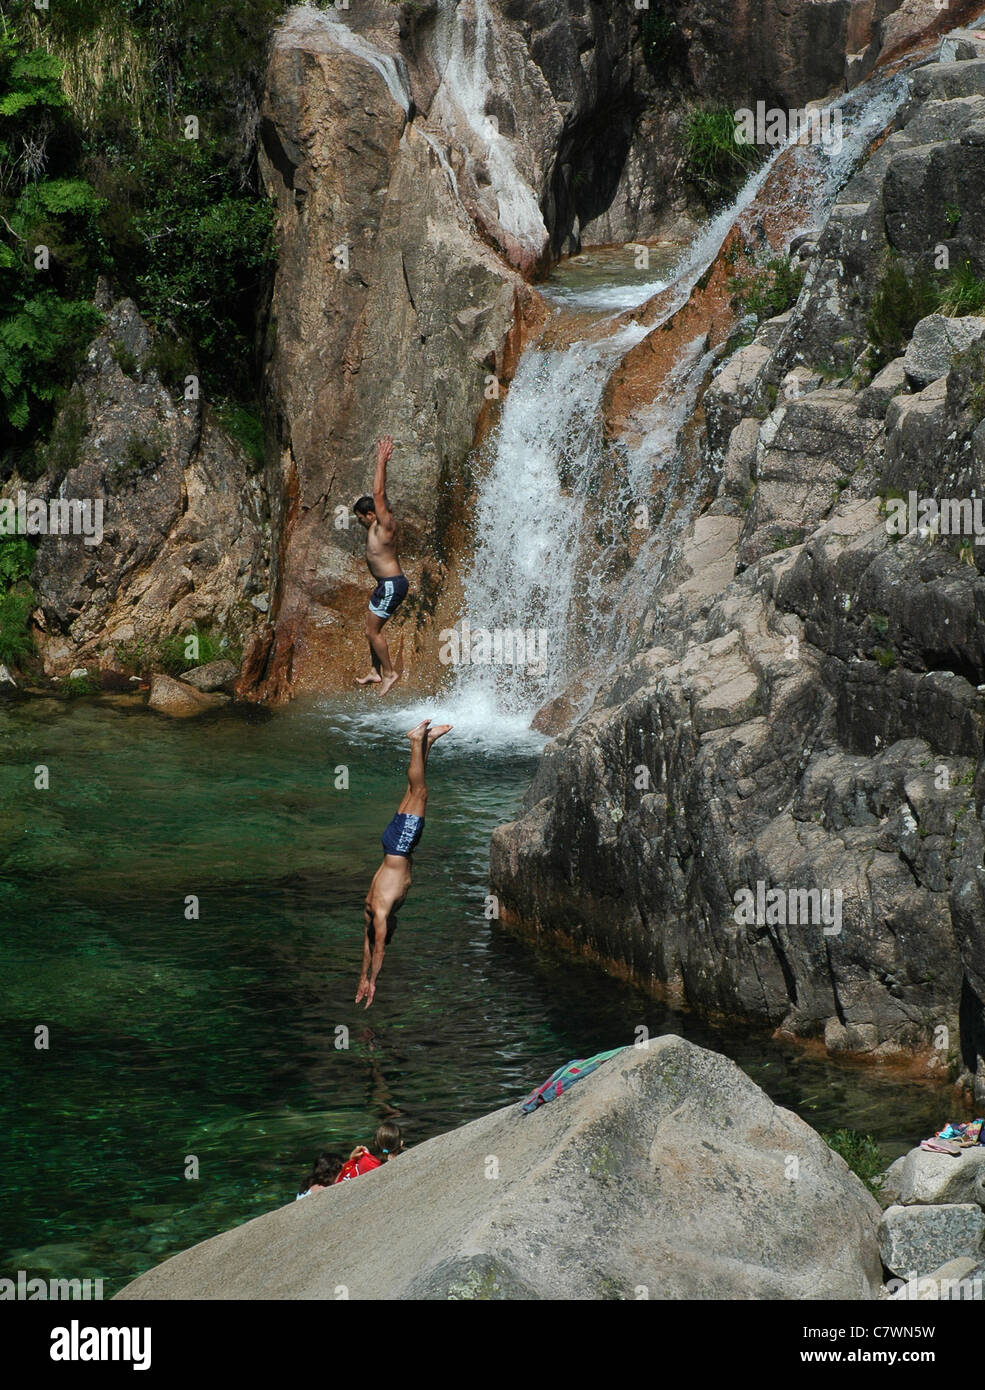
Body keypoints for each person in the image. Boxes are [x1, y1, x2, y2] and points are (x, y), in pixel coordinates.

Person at [355, 719, 452, 1009]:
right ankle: (427, 743)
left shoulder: (381, 915)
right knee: (413, 790)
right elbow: (367, 947)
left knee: (420, 792)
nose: (389, 935)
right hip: (391, 843)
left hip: (400, 845)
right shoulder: (368, 914)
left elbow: (378, 949)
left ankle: (414, 741)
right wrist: (361, 976)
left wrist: (372, 983)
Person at [353, 434, 407, 698]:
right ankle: (376, 670)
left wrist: (380, 460)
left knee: (373, 631)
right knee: (369, 630)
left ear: (371, 514)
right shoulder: (377, 525)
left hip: (391, 585)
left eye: (361, 518)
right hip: (384, 585)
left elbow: (378, 493)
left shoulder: (384, 525)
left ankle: (389, 672)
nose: (360, 522)